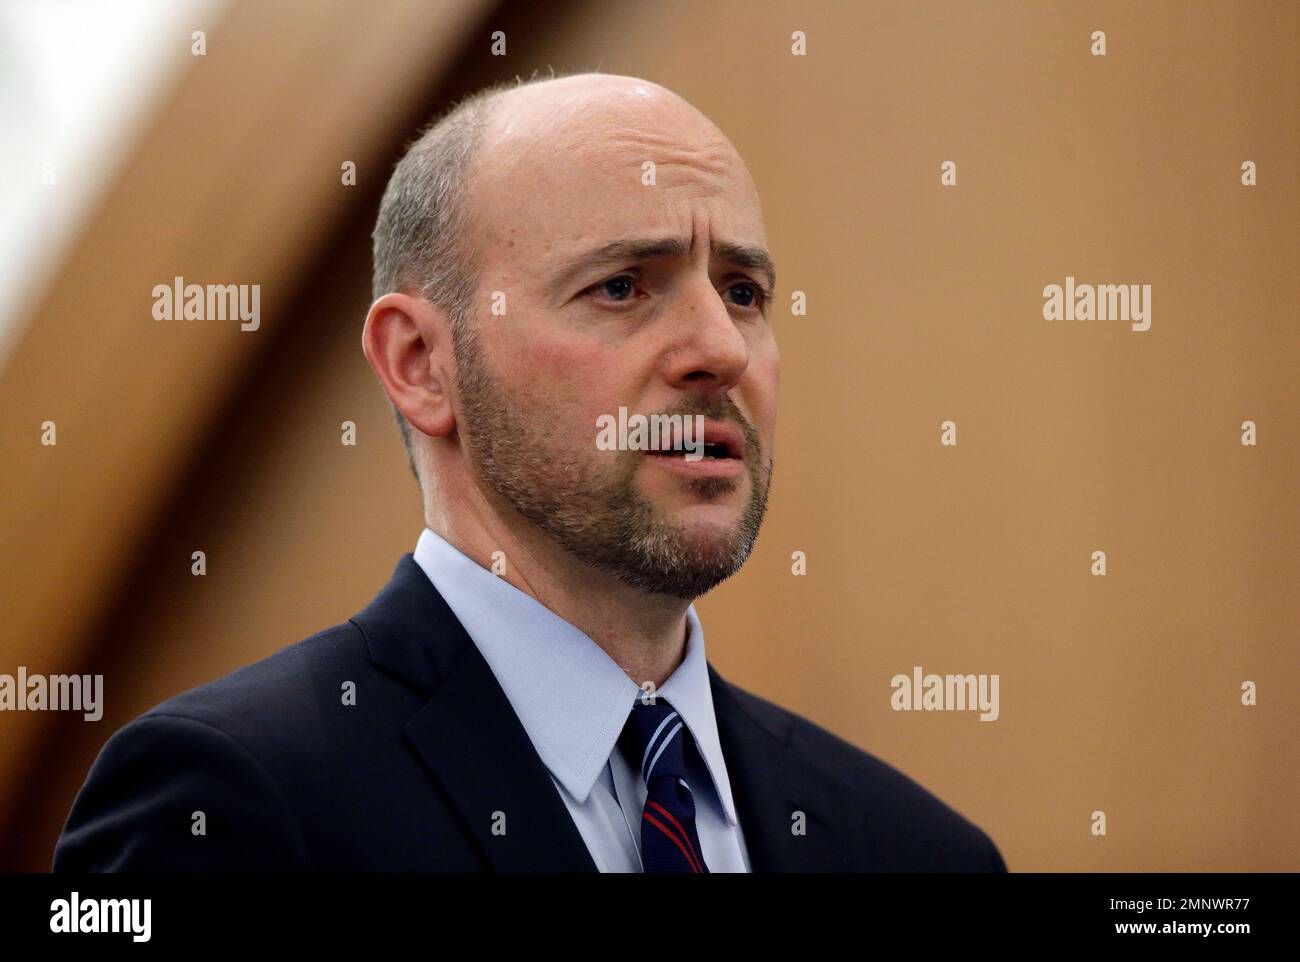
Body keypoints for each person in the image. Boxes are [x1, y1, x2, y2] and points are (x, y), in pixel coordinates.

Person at [53, 71, 1006, 872]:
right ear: (423, 365)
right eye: (623, 287)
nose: (721, 347)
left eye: (744, 292)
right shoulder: (227, 803)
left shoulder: (916, 851)